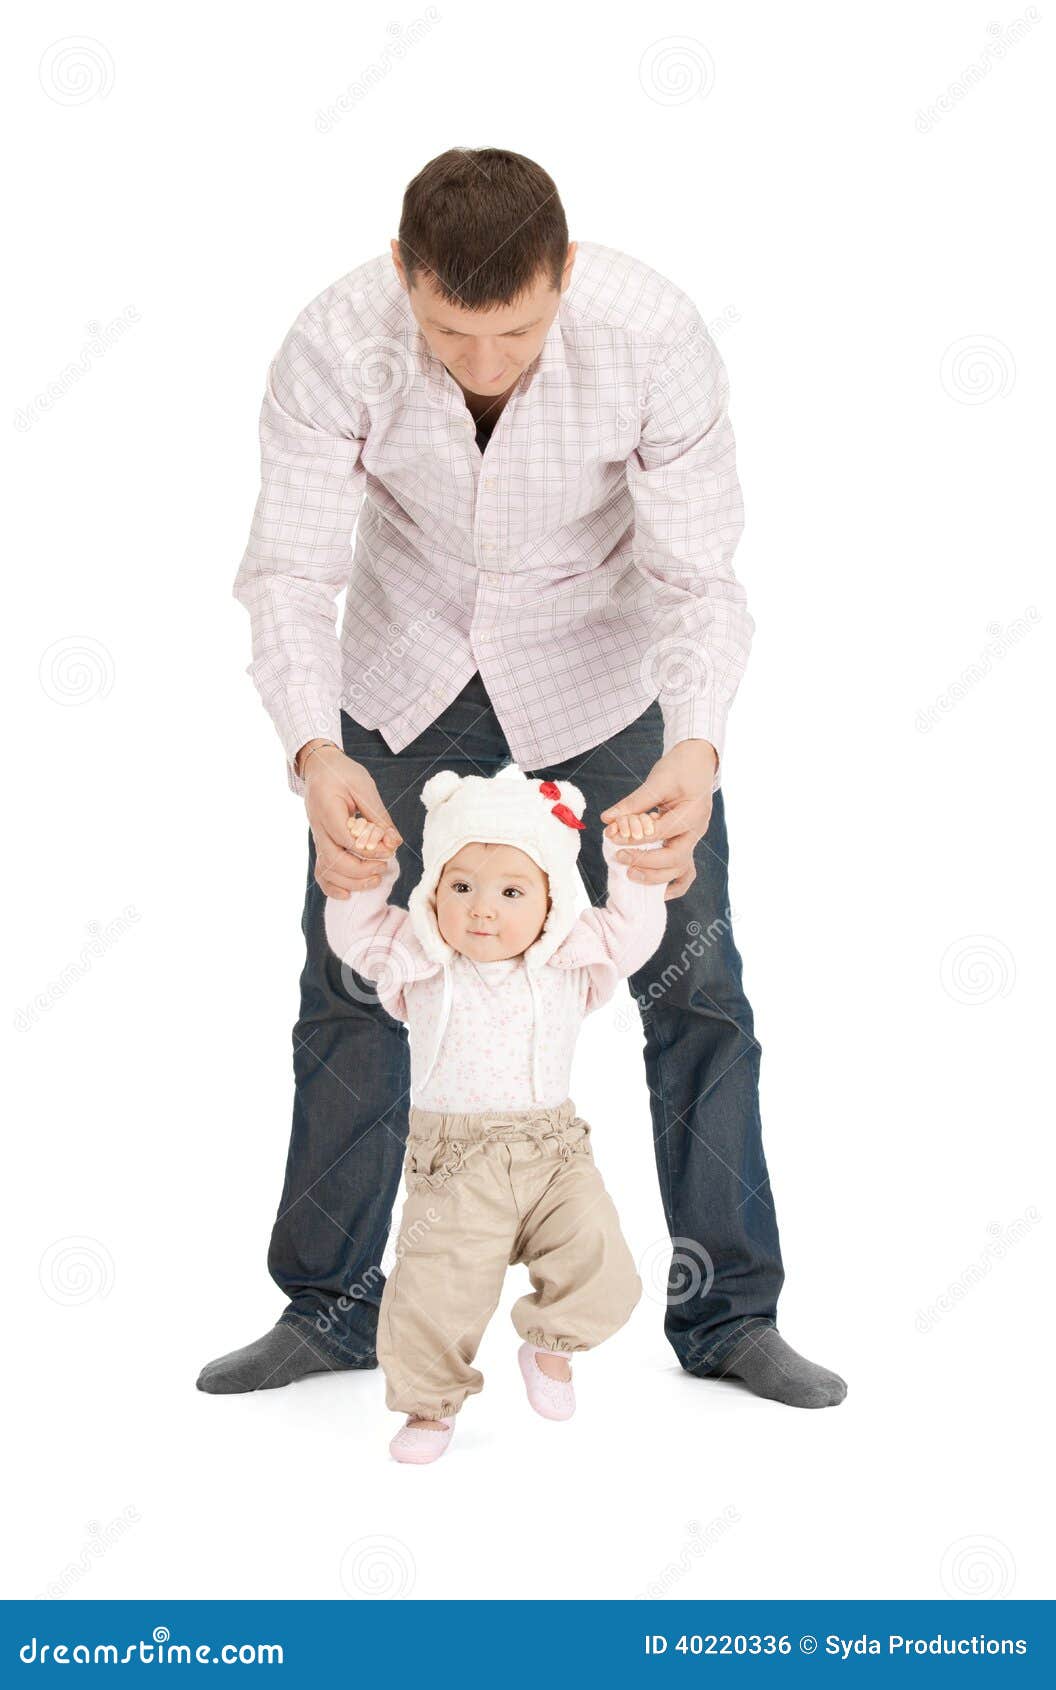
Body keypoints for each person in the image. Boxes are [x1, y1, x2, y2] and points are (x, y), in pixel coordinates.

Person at [200, 146, 846, 1410]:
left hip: (600, 676)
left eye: (518, 331)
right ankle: (331, 1306)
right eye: (450, 329)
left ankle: (727, 1319)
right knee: (351, 975)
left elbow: (699, 581)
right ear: (404, 278)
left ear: (564, 272)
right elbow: (287, 572)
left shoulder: (651, 334)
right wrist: (313, 750)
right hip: (400, 671)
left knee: (694, 980)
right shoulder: (336, 340)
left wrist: (697, 744)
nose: (482, 362)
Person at [323, 762, 667, 1463]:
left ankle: (549, 1343)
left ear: (551, 901)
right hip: (454, 1164)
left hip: (554, 1157)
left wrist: (629, 862)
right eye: (460, 887)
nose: (482, 909)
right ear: (433, 895)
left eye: (512, 891)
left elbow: (633, 931)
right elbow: (355, 932)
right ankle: (428, 1407)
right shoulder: (420, 956)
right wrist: (367, 862)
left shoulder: (571, 957)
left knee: (603, 1262)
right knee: (431, 1296)